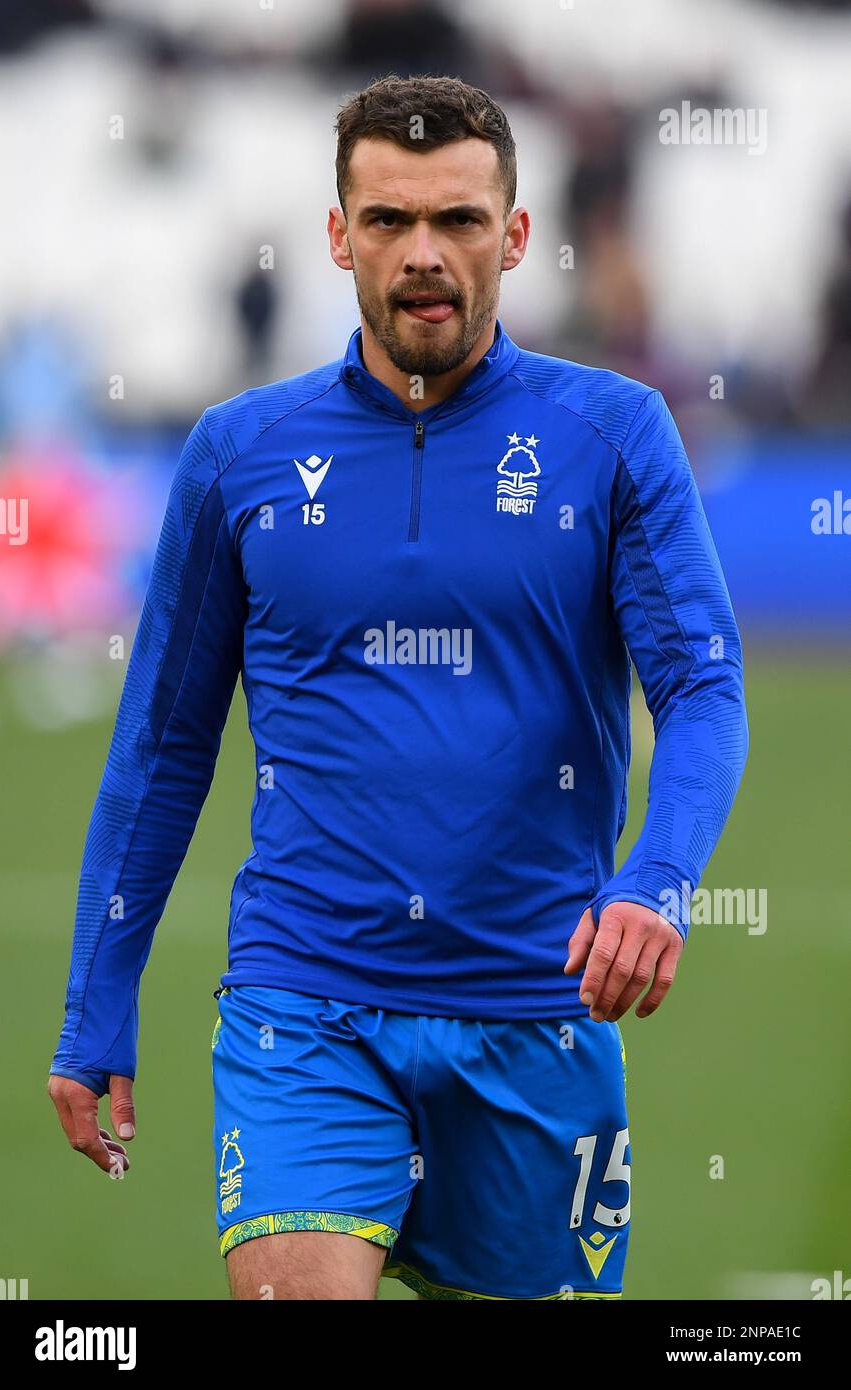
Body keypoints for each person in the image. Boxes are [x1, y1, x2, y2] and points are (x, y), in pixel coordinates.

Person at [48, 74, 748, 1301]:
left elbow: (700, 685)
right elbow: (161, 746)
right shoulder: (238, 453)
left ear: (513, 236)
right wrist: (95, 1000)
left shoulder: (613, 435)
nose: (423, 253)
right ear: (338, 235)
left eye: (457, 219)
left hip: (536, 1008)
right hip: (302, 1001)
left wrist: (656, 878)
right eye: (387, 220)